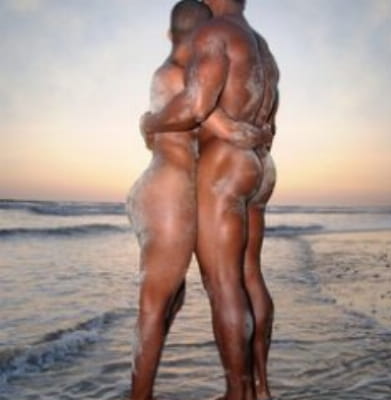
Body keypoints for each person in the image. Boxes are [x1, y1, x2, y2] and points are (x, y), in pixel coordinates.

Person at [127, 2, 271, 400]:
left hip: (174, 187)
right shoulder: (180, 72)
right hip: (171, 192)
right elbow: (208, 116)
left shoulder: (189, 67)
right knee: (158, 304)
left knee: (176, 299)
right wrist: (244, 132)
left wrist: (150, 123)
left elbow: (194, 112)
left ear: (170, 34)